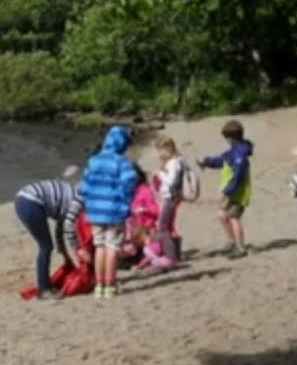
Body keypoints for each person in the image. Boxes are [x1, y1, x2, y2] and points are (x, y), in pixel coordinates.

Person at [79, 125, 140, 298]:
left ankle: (99, 286)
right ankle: (110, 285)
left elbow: (84, 187)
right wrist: (124, 197)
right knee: (112, 247)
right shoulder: (121, 162)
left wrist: (92, 199)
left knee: (99, 246)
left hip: (96, 211)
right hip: (115, 210)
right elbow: (130, 180)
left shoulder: (93, 160)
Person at [14, 167, 85, 301]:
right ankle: (44, 290)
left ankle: (45, 287)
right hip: (32, 202)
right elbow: (69, 224)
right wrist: (78, 249)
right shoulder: (80, 200)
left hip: (23, 199)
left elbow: (60, 227)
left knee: (46, 246)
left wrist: (64, 253)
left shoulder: (70, 197)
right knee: (45, 247)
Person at [197, 119, 254, 259]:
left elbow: (238, 175)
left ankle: (240, 247)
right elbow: (222, 160)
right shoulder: (233, 152)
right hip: (231, 191)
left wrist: (228, 192)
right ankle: (231, 241)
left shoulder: (240, 154)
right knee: (222, 215)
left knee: (234, 217)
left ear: (230, 138)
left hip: (238, 192)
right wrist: (207, 161)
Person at [153, 136, 191, 261]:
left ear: (167, 149)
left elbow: (170, 181)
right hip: (172, 197)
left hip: (170, 197)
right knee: (168, 225)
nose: (159, 154)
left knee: (162, 226)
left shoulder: (173, 163)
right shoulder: (178, 161)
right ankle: (174, 252)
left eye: (160, 150)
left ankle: (170, 256)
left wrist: (160, 173)